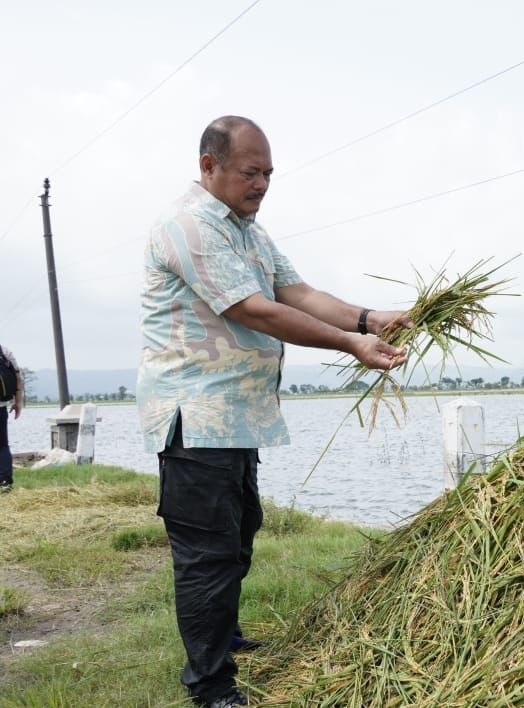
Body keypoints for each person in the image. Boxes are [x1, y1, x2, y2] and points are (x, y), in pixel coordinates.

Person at [136, 116, 410, 708]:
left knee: (239, 533)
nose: (260, 184)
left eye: (267, 174)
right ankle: (210, 687)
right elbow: (255, 310)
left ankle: (222, 638)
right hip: (196, 414)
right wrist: (350, 345)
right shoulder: (188, 227)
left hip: (238, 414)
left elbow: (298, 294)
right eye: (248, 172)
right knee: (207, 553)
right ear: (208, 166)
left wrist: (369, 319)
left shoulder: (250, 233)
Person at [0, 343, 24, 491]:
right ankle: (5, 481)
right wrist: (18, 401)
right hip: (0, 406)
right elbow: (17, 377)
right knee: (2, 445)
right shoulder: (3, 350)